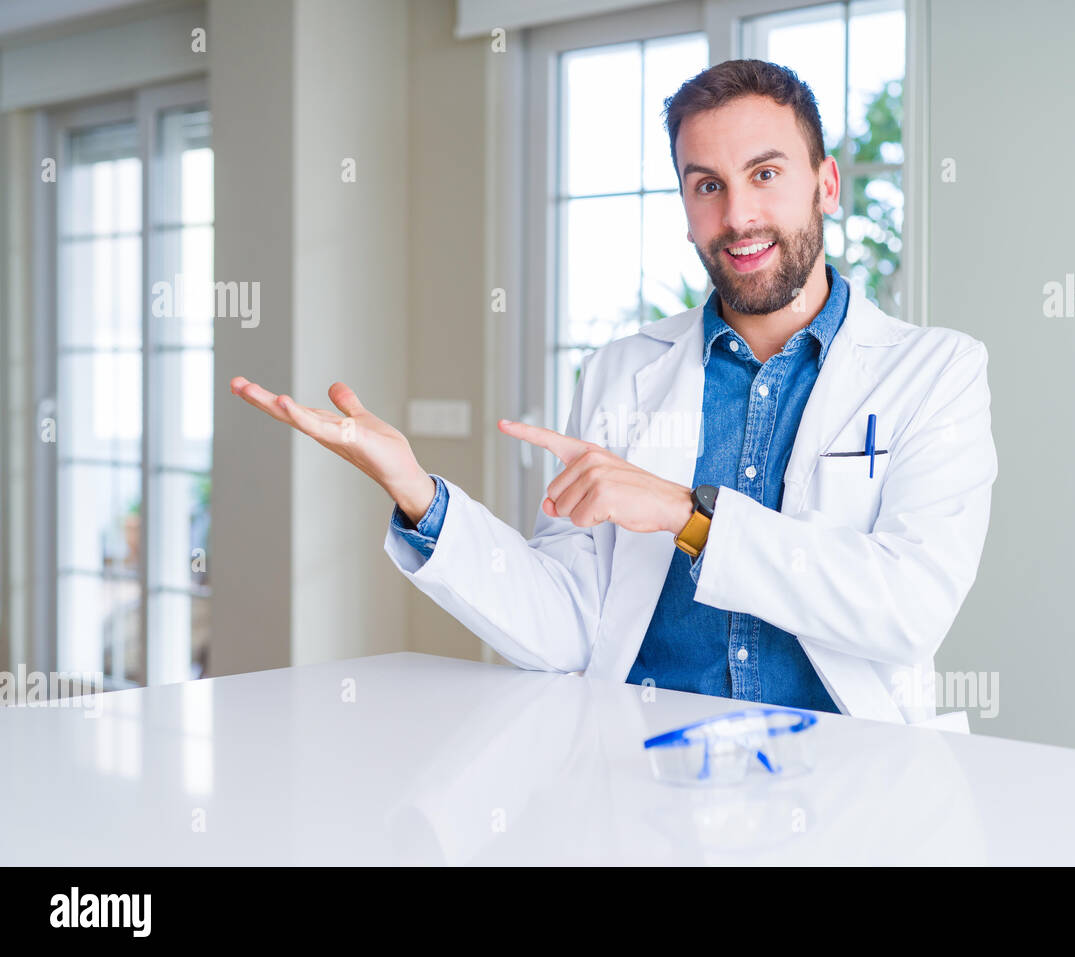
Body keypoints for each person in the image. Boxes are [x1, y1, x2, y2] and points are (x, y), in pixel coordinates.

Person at [232, 59, 997, 727]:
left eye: (766, 174)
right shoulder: (617, 371)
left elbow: (910, 605)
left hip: (847, 786)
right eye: (707, 185)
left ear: (825, 183)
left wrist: (687, 517)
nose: (738, 216)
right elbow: (569, 620)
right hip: (643, 774)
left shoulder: (934, 372)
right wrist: (419, 495)